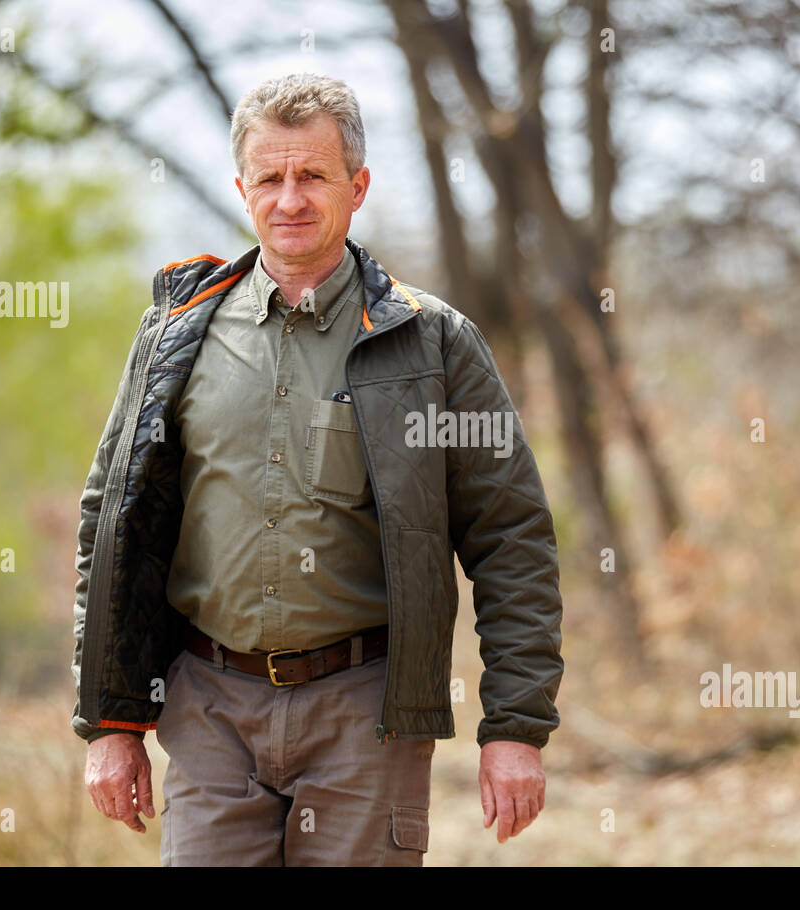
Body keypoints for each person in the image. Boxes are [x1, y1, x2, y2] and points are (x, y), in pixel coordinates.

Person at [70, 72, 563, 866]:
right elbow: (110, 525)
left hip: (365, 715)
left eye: (313, 176)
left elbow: (512, 537)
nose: (289, 198)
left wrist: (515, 727)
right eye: (270, 177)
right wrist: (110, 721)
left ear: (357, 187)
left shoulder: (433, 343)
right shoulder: (175, 338)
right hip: (208, 709)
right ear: (242, 188)